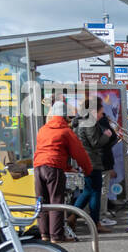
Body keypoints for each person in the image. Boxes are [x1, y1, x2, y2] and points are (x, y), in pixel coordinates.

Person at [32, 101, 93, 244]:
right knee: (56, 201)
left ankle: (44, 234)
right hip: (53, 169)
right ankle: (57, 236)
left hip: (38, 167)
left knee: (42, 202)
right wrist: (87, 169)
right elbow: (79, 153)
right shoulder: (65, 131)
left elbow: (48, 151)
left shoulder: (43, 130)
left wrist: (65, 167)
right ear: (65, 116)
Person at [72, 98, 114, 235]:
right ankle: (94, 222)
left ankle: (72, 216)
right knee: (95, 191)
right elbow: (95, 143)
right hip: (92, 161)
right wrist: (106, 135)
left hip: (87, 160)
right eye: (101, 112)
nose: (102, 115)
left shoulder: (82, 122)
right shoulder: (89, 123)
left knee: (88, 191)